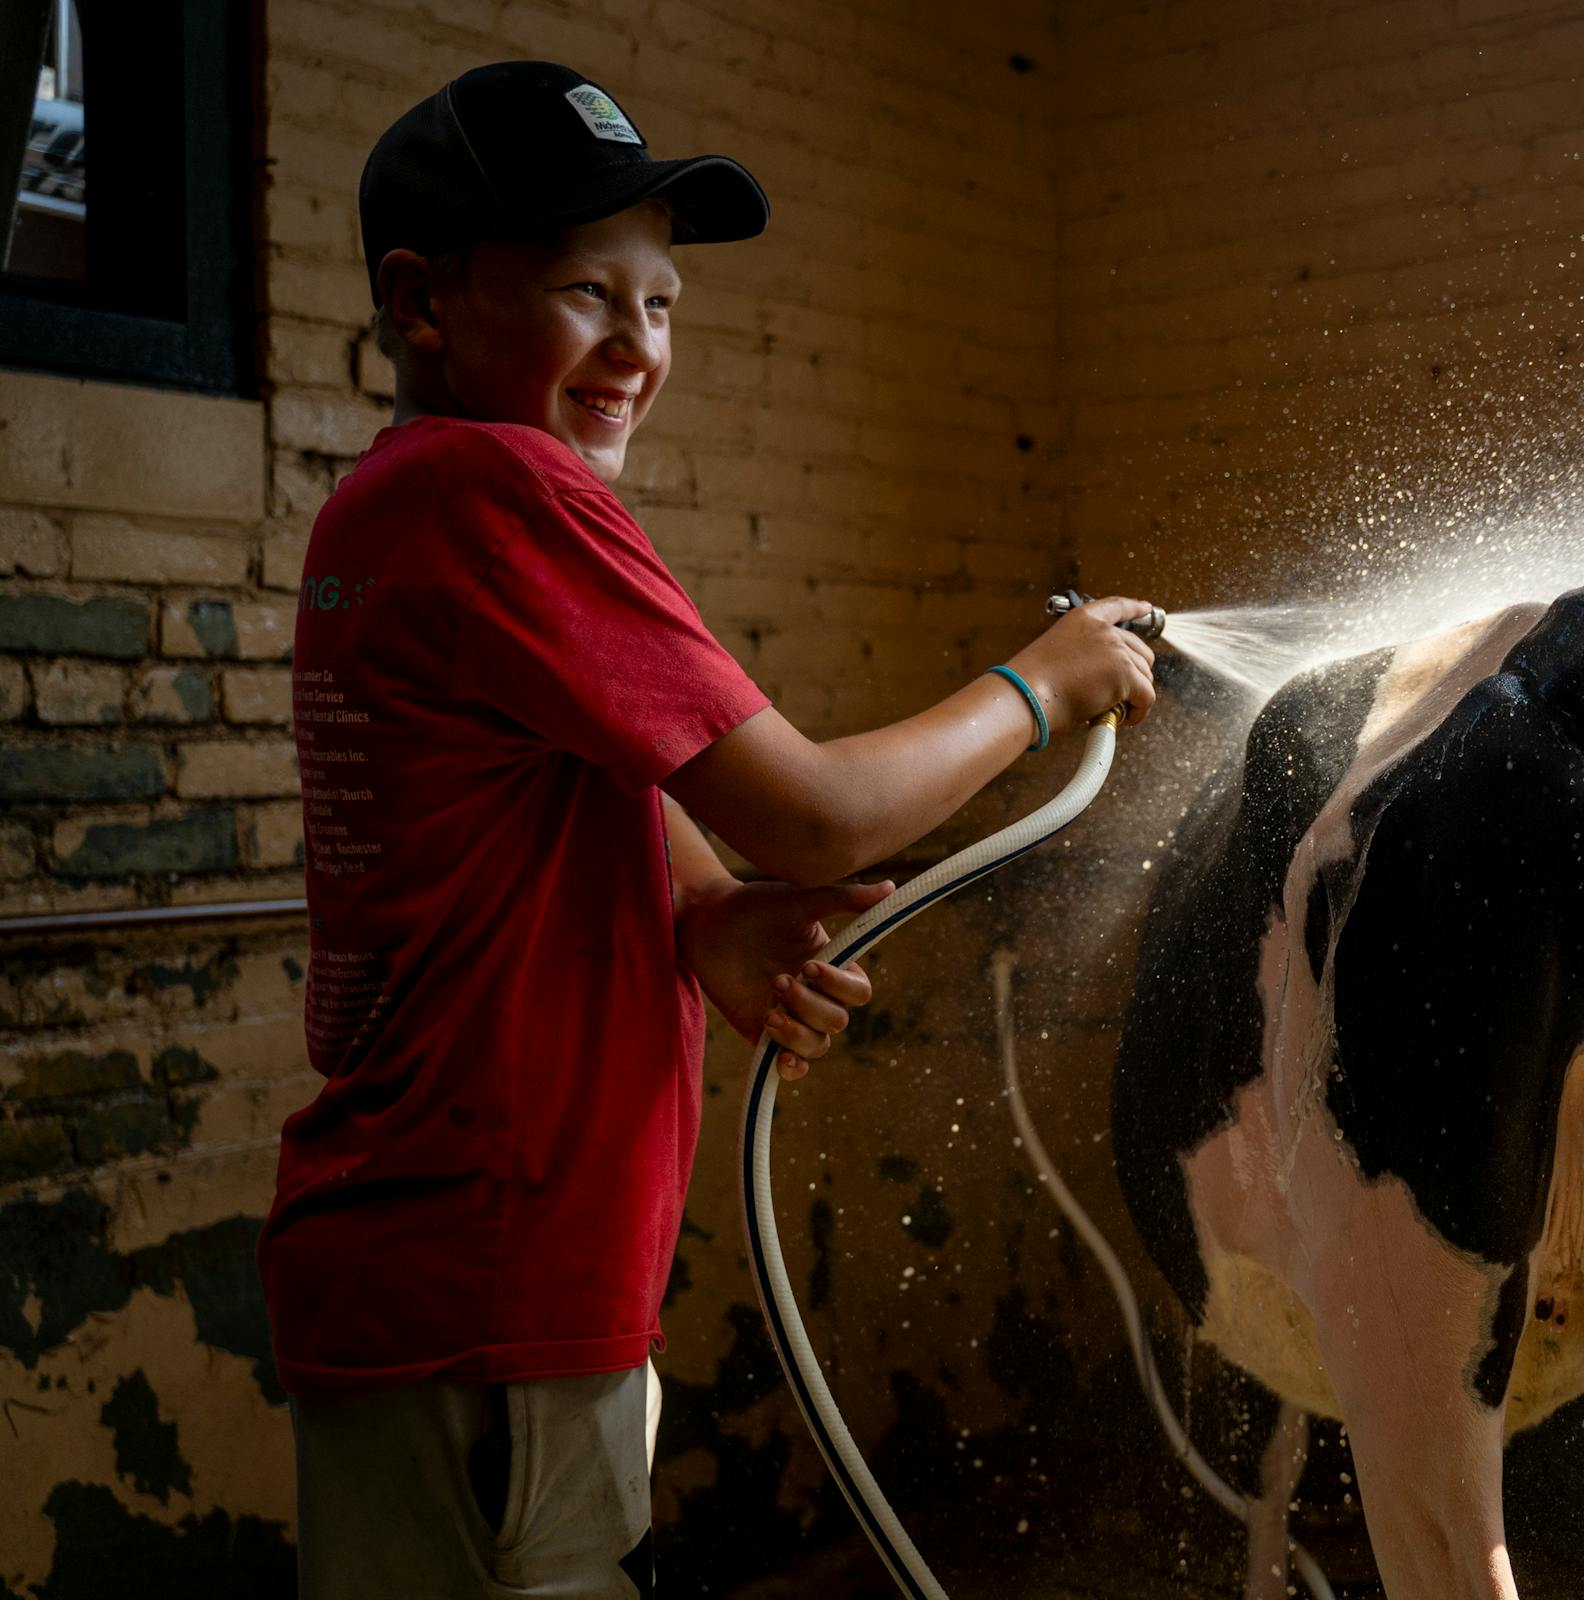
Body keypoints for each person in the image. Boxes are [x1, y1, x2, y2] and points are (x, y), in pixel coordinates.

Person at [254, 61, 1156, 1599]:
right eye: (586, 294)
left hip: (447, 1279)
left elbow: (571, 784)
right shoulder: (505, 491)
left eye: (661, 304)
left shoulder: (398, 504)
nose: (638, 346)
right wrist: (1040, 687)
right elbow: (816, 814)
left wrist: (703, 917)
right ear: (422, 302)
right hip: (495, 1293)